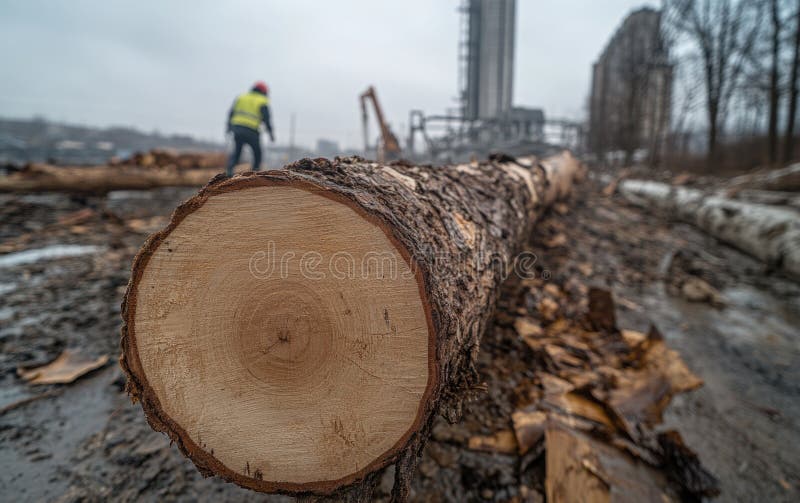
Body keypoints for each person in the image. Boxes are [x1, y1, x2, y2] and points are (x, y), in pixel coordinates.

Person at [226, 81, 274, 176]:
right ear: (264, 92)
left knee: (237, 151)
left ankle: (229, 171)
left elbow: (231, 113)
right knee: (257, 153)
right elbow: (266, 118)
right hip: (251, 130)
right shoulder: (262, 100)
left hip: (237, 129)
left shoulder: (241, 97)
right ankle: (254, 174)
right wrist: (271, 133)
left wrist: (229, 127)